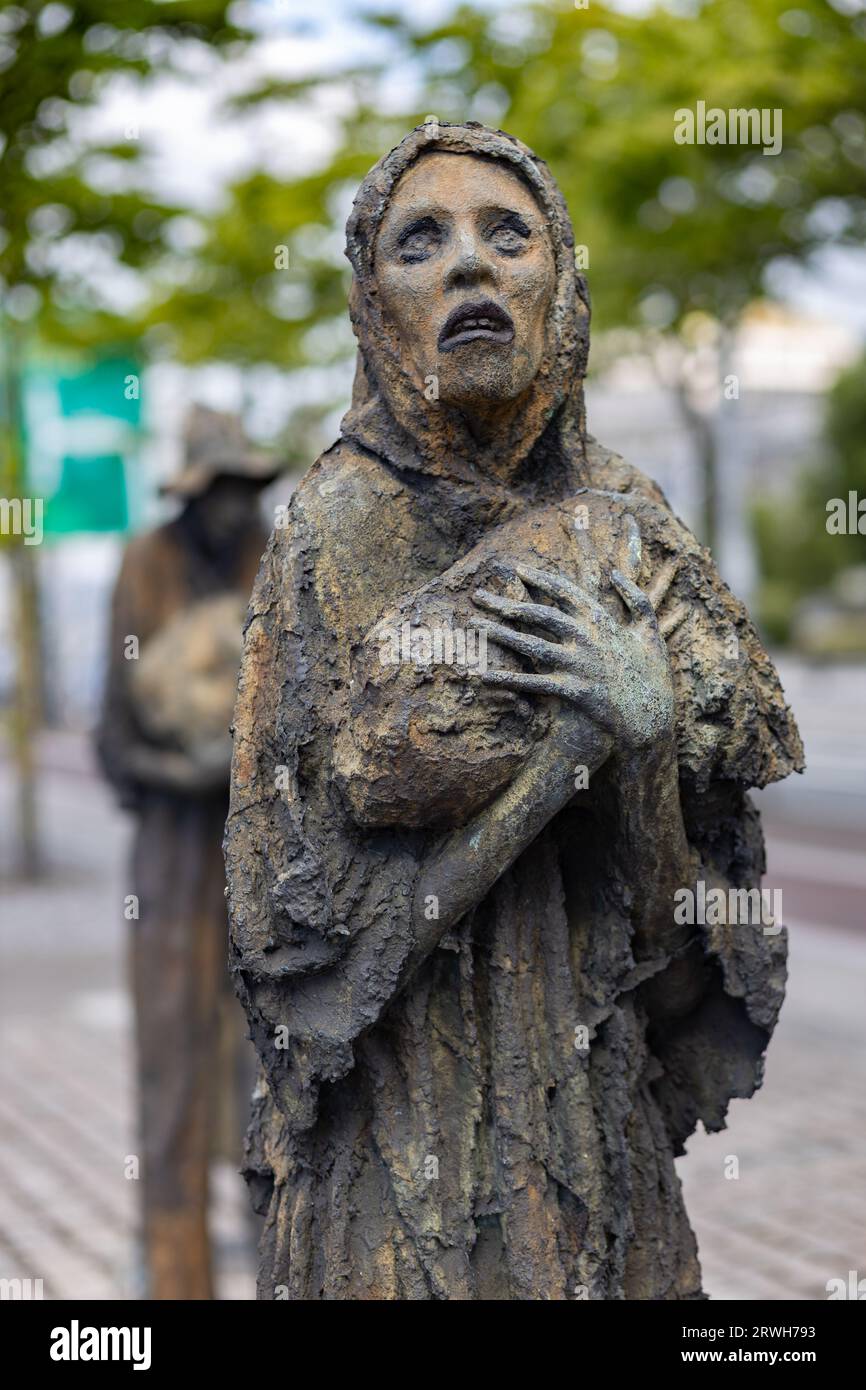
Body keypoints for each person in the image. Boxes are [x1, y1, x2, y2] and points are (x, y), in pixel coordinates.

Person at [224, 123, 803, 1300]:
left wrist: (639, 751)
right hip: (400, 1161)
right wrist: (557, 765)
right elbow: (319, 966)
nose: (470, 268)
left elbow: (675, 954)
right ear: (370, 305)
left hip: (598, 1141)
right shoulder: (336, 528)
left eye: (507, 236)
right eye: (418, 242)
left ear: (562, 289)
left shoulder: (626, 519)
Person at [97, 405, 278, 1299]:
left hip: (267, 865)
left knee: (275, 1077)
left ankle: (283, 1263)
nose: (235, 508)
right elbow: (114, 745)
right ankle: (175, 1282)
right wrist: (188, 767)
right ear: (191, 493)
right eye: (221, 491)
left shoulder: (275, 560)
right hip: (172, 866)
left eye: (248, 490)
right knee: (172, 1077)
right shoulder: (145, 564)